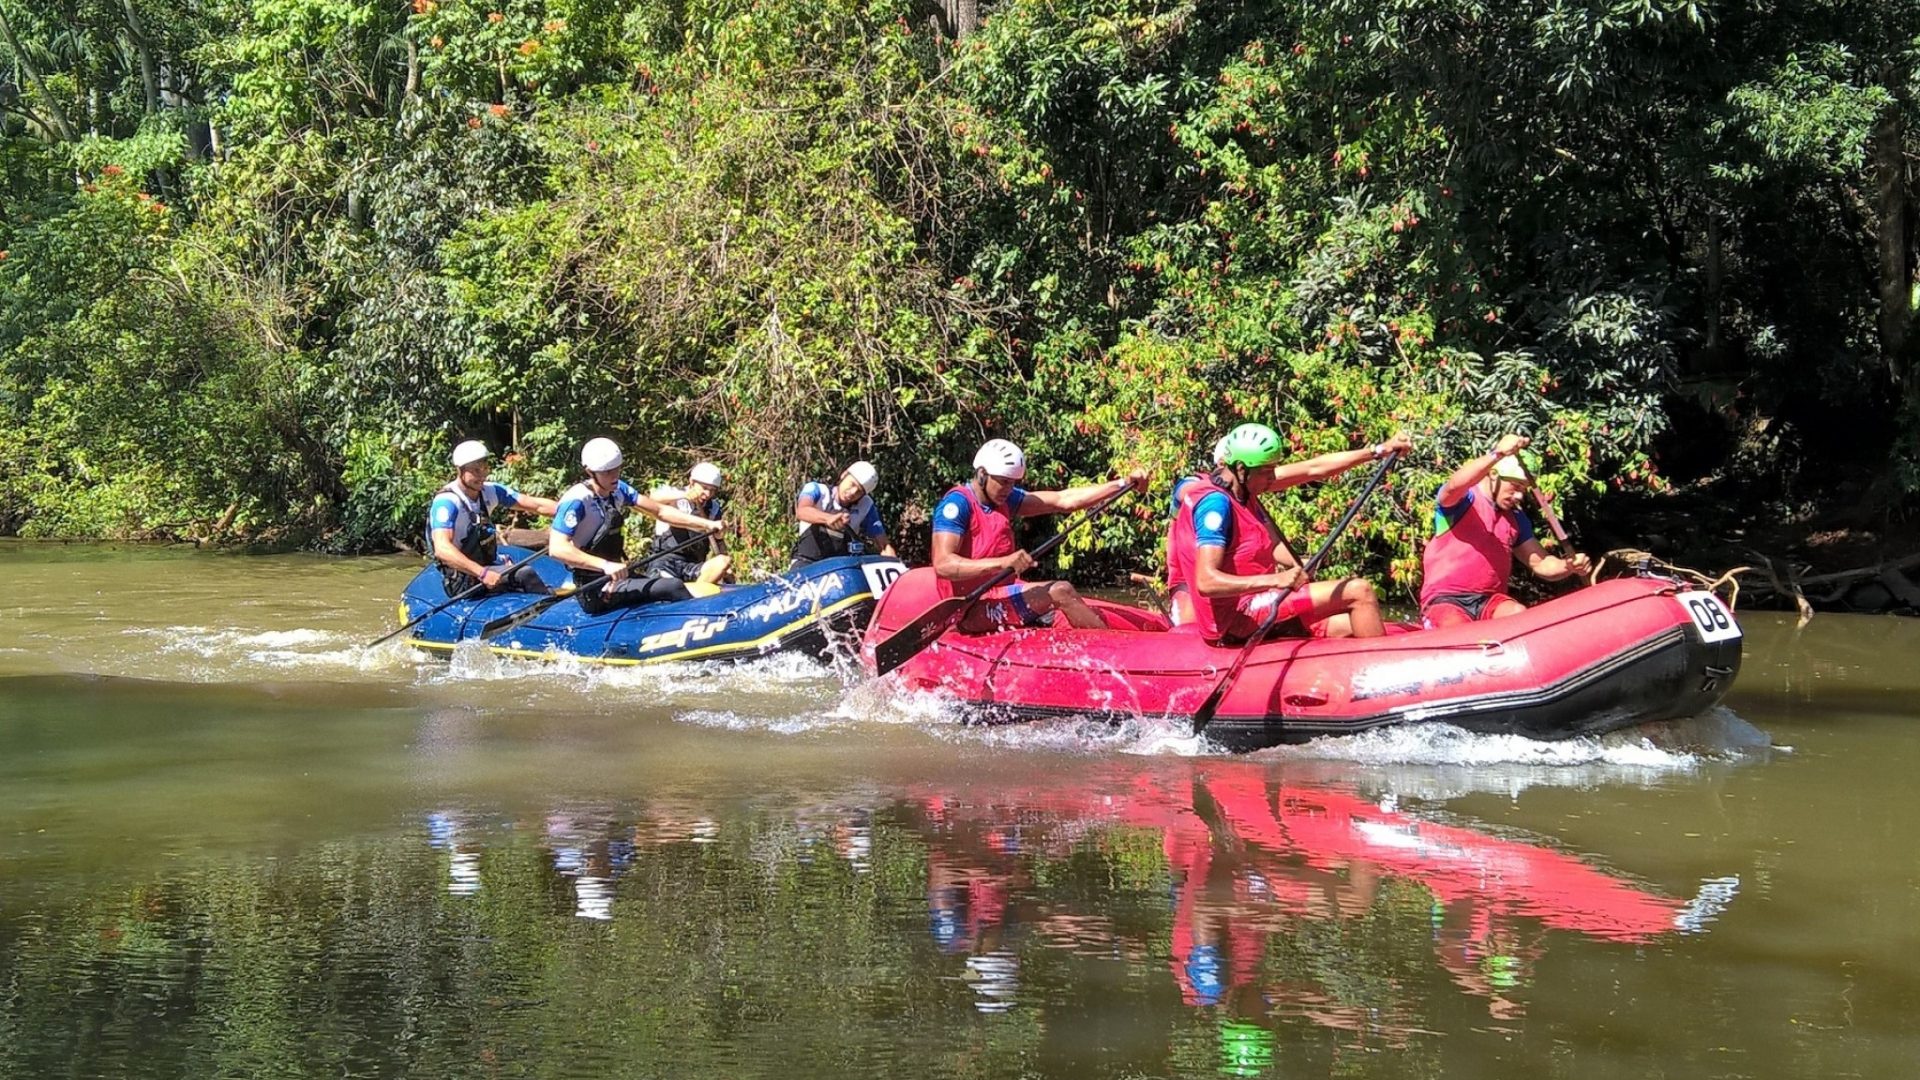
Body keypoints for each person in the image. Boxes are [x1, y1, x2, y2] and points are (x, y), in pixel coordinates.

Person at [1167, 423, 1410, 641]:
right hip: (1238, 617)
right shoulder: (1215, 504)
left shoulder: (1244, 488)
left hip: (1258, 602)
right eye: (1267, 471)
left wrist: (1379, 450)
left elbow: (1313, 468)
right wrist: (1276, 579)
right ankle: (1381, 675)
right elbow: (1206, 582)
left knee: (1349, 623)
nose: (1273, 478)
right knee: (1359, 591)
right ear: (1241, 469)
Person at [932, 438, 1149, 631]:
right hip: (970, 609)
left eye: (1014, 483)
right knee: (1061, 590)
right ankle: (1111, 653)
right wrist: (1003, 563)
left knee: (1061, 602)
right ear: (982, 475)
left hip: (1000, 594)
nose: (1009, 488)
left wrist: (1122, 484)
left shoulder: (1004, 499)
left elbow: (1064, 500)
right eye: (1004, 481)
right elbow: (943, 564)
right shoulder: (957, 505)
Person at [1419, 434, 1591, 628]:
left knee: (1517, 612)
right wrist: (1497, 454)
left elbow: (1541, 563)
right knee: (1456, 627)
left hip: (1489, 602)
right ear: (1493, 475)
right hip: (1446, 600)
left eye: (1523, 490)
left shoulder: (1516, 518)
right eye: (1515, 486)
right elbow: (1452, 486)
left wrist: (1568, 566)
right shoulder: (1461, 501)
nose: (1518, 496)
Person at [549, 437, 725, 615]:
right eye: (607, 472)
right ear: (590, 472)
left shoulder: (619, 489)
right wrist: (605, 565)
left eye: (617, 469)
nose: (614, 476)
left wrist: (708, 524)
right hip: (593, 587)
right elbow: (557, 549)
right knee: (672, 586)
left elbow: (660, 511)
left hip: (617, 576)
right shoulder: (576, 501)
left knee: (662, 586)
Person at [426, 440, 559, 597]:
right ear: (460, 470)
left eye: (484, 468)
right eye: (476, 471)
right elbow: (442, 549)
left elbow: (536, 505)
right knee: (525, 573)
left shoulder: (490, 491)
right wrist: (482, 573)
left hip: (485, 564)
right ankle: (546, 599)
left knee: (513, 563)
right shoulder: (447, 502)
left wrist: (569, 512)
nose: (482, 475)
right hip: (462, 576)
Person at [791, 461, 896, 568]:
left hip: (840, 568)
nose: (853, 492)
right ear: (844, 475)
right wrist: (828, 519)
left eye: (859, 492)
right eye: (852, 484)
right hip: (805, 564)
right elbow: (802, 511)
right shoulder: (817, 490)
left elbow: (884, 546)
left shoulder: (866, 506)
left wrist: (896, 566)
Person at [649, 461, 732, 588]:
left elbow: (719, 543)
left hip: (692, 566)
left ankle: (694, 592)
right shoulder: (673, 496)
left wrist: (720, 538)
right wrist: (684, 495)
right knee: (671, 586)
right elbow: (653, 498)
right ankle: (679, 590)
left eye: (712, 490)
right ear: (692, 482)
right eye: (704, 488)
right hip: (666, 563)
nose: (708, 494)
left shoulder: (713, 508)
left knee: (723, 562)